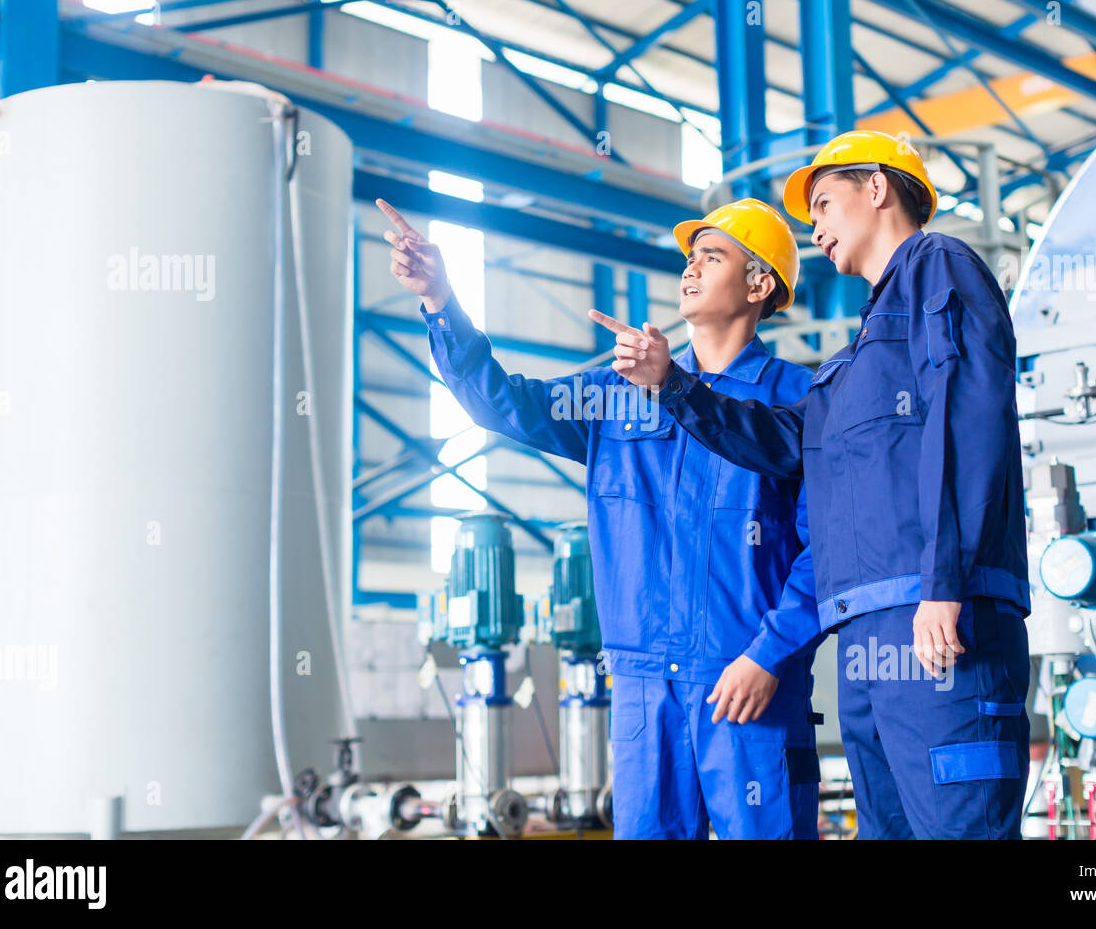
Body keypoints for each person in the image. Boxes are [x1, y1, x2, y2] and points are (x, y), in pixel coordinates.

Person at [597, 131, 1032, 839]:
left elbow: (967, 421)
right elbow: (775, 441)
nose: (817, 228)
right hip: (866, 635)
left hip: (936, 620)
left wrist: (944, 584)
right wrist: (671, 385)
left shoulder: (938, 266)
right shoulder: (850, 363)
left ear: (878, 188)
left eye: (824, 203)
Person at [379, 196, 823, 839]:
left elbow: (830, 548)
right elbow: (501, 403)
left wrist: (770, 655)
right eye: (690, 257)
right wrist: (442, 301)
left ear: (759, 284)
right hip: (645, 692)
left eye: (713, 256)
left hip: (750, 686)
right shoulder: (616, 397)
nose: (690, 269)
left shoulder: (797, 401)